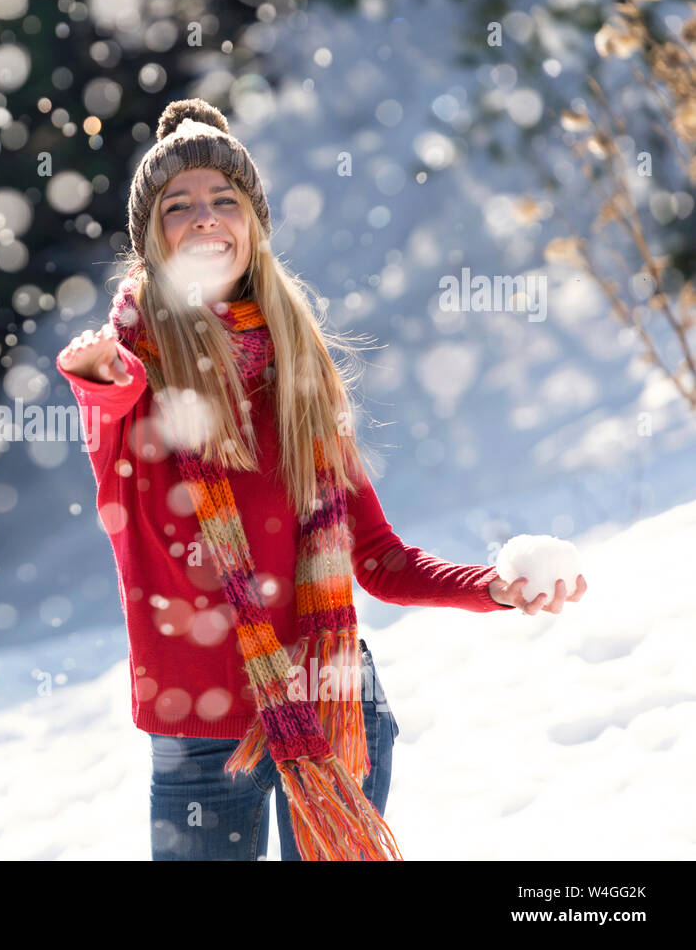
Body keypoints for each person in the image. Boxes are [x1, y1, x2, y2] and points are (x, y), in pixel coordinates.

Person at [55, 99, 588, 861]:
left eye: (224, 201)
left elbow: (379, 558)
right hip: (196, 734)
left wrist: (492, 587)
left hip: (336, 705)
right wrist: (93, 377)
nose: (205, 219)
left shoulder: (299, 375)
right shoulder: (135, 374)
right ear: (151, 240)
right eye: (179, 207)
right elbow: (104, 405)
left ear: (255, 228)